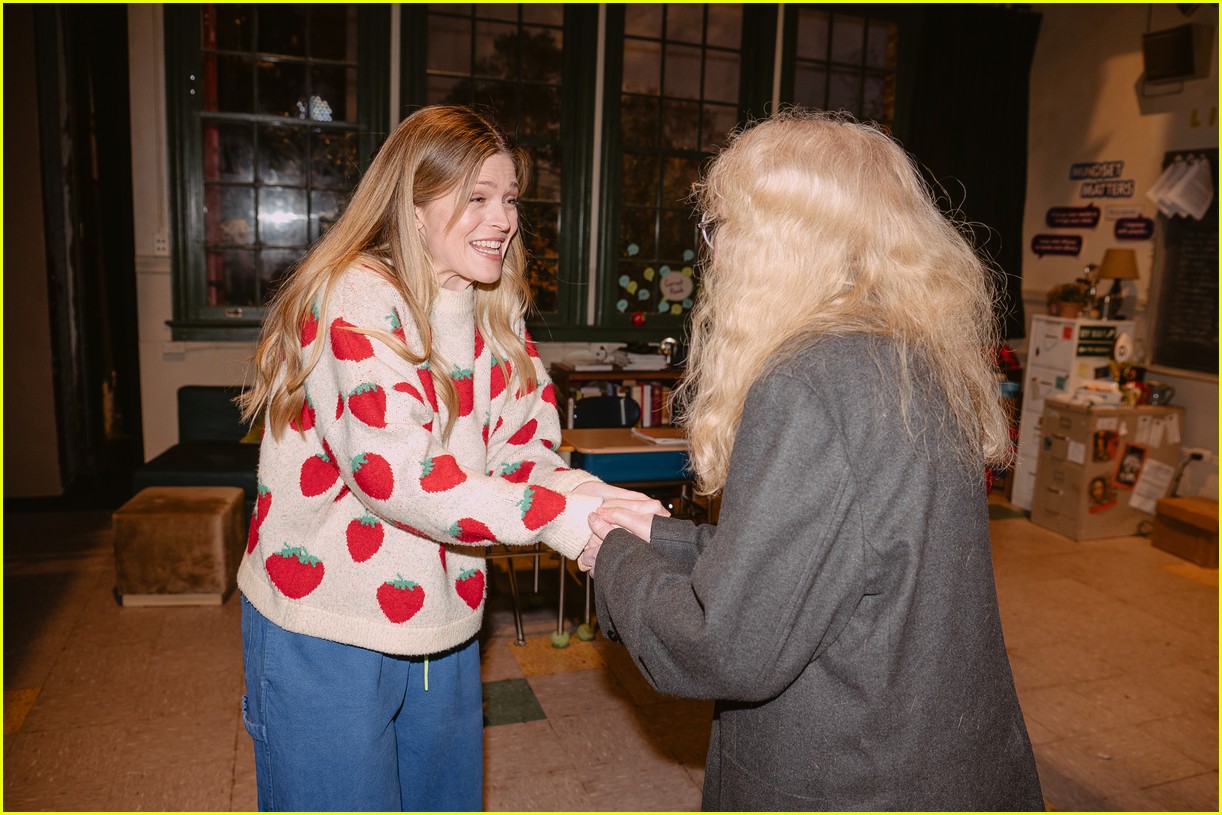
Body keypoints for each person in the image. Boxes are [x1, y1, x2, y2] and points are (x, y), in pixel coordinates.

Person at [580, 109, 1044, 811]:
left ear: (782, 240)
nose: (715, 248)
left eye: (723, 225)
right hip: (945, 757)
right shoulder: (918, 359)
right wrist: (660, 536)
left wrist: (611, 558)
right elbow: (836, 562)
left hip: (850, 774)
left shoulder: (805, 381)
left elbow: (728, 645)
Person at [236, 104, 664, 811]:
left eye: (510, 200)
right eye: (477, 198)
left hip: (443, 620)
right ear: (412, 202)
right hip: (324, 623)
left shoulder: (494, 307)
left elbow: (525, 451)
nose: (503, 220)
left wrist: (599, 507)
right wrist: (563, 518)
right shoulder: (357, 294)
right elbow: (399, 475)